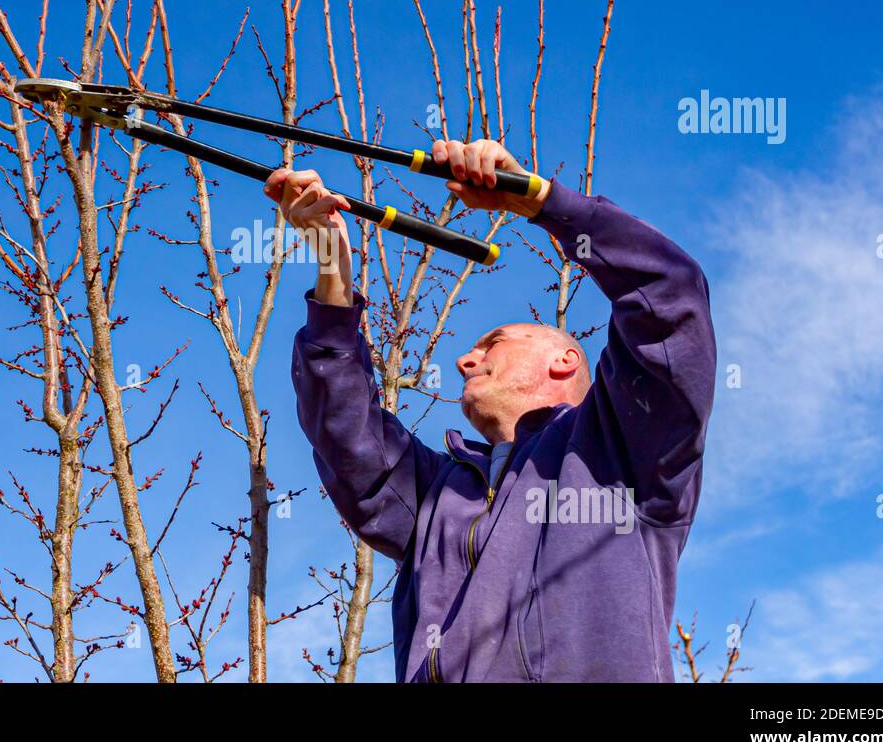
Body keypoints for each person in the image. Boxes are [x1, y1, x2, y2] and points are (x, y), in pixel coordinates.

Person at [266, 137, 717, 682]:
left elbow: (669, 295)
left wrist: (538, 201)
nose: (465, 358)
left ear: (565, 360)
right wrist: (332, 269)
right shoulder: (435, 493)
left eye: (494, 341)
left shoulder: (625, 447)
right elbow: (345, 437)